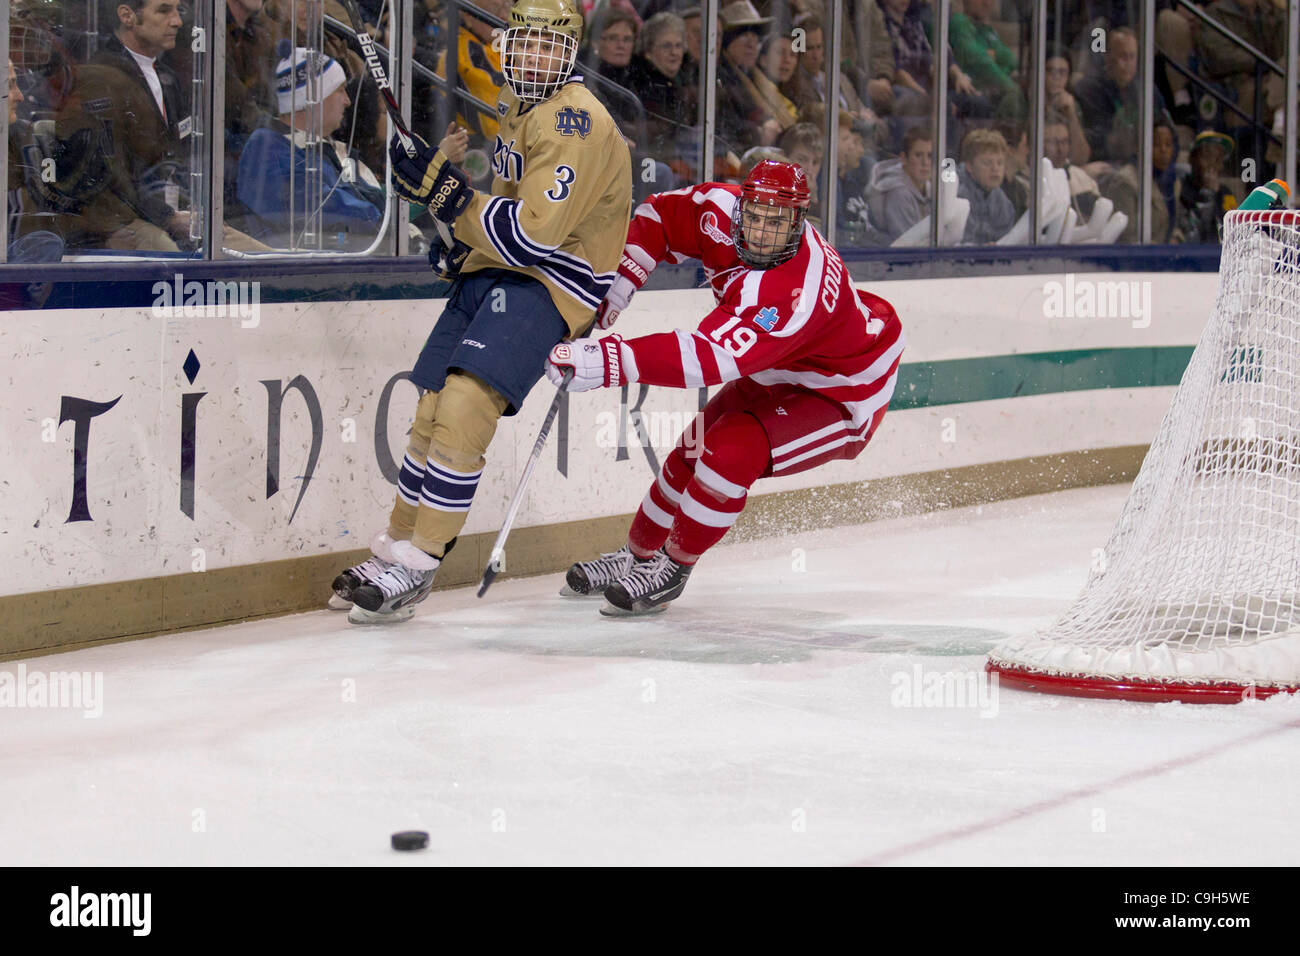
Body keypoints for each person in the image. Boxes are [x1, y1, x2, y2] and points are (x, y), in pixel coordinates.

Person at [329, 0, 632, 624]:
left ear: (570, 54)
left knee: (466, 405)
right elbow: (501, 213)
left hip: (552, 283)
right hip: (501, 270)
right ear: (508, 44)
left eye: (551, 45)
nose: (536, 55)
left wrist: (449, 194)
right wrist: (458, 237)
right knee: (432, 406)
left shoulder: (574, 121)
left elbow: (533, 236)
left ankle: (419, 564)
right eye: (527, 41)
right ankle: (395, 547)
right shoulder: (518, 106)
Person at [545, 161, 904, 615]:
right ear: (741, 206)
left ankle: (673, 568)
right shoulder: (721, 209)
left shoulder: (793, 292)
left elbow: (706, 357)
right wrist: (625, 276)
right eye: (754, 216)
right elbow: (661, 216)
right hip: (777, 368)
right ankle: (637, 557)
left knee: (728, 453)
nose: (761, 232)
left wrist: (604, 360)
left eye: (776, 222)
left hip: (842, 390)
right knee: (690, 452)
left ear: (798, 222)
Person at [237, 45, 414, 251]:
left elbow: (369, 197)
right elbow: (326, 210)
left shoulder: (326, 148)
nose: (348, 101)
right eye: (340, 90)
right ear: (312, 98)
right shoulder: (266, 150)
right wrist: (389, 225)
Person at [866, 123, 931, 240]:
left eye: (930, 156)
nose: (925, 162)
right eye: (918, 155)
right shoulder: (898, 193)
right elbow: (907, 244)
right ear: (903, 158)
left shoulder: (931, 188)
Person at [956, 127, 1014, 244]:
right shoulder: (959, 194)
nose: (995, 169)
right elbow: (958, 243)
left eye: (1000, 163)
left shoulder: (1002, 200)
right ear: (969, 166)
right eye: (987, 163)